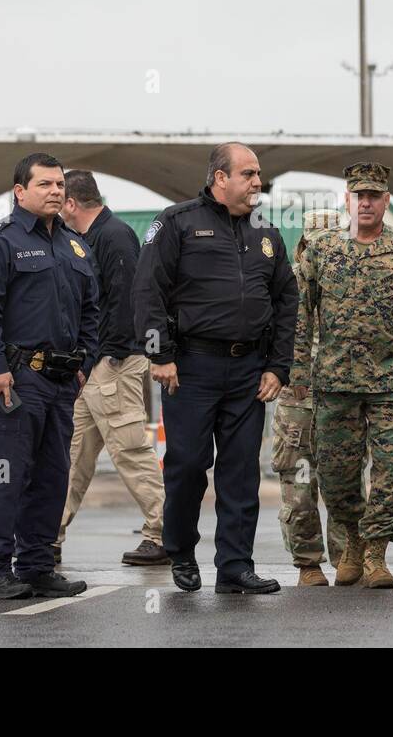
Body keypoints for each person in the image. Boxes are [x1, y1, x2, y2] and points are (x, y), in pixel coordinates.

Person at [132, 142, 298, 594]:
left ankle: (234, 566)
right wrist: (159, 354)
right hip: (191, 367)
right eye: (248, 174)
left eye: (258, 174)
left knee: (241, 471)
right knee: (186, 465)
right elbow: (148, 290)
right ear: (219, 178)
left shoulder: (267, 233)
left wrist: (278, 366)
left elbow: (287, 301)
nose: (257, 182)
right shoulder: (177, 222)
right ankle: (181, 550)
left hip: (249, 371)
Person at [293, 163, 393, 590]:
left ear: (386, 201)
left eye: (374, 195)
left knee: (390, 472)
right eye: (358, 195)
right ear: (347, 200)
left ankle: (376, 551)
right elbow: (301, 314)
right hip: (335, 382)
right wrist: (297, 369)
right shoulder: (323, 251)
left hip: (392, 383)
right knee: (336, 475)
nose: (365, 202)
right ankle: (352, 545)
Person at [0, 153, 102, 600]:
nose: (56, 192)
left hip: (62, 382)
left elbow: (92, 312)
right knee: (7, 474)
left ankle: (38, 566)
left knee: (52, 476)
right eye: (44, 185)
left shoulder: (75, 245)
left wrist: (84, 364)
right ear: (20, 191)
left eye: (60, 185)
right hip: (17, 380)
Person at [55, 169, 168, 568]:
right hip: (98, 364)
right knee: (72, 455)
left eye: (58, 197)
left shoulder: (113, 235)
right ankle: (49, 536)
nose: (55, 206)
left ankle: (163, 533)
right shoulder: (93, 237)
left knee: (130, 450)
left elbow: (126, 302)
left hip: (113, 361)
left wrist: (109, 356)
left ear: (71, 203)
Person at [275, 208, 348, 586]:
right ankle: (308, 563)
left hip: (343, 398)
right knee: (300, 486)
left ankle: (348, 560)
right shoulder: (283, 283)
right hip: (297, 402)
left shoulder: (354, 282)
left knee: (345, 484)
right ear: (303, 245)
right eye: (315, 247)